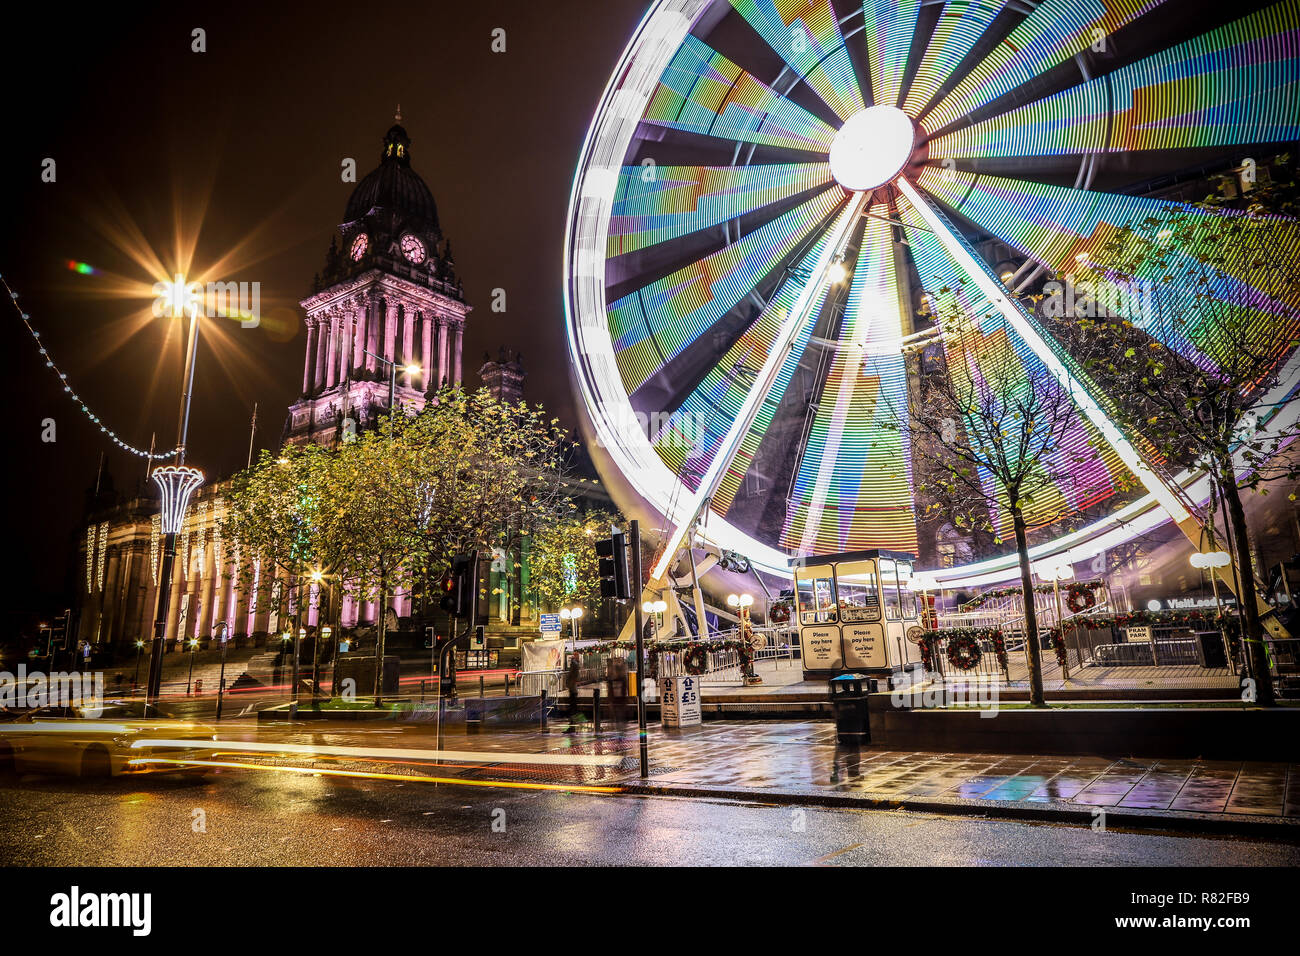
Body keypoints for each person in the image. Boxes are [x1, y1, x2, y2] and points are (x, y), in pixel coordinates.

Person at [565, 654, 581, 732]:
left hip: (573, 689)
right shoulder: (575, 665)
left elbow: (573, 676)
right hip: (573, 688)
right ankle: (572, 725)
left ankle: (573, 725)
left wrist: (569, 684)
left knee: (573, 707)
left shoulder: (574, 665)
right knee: (573, 707)